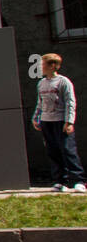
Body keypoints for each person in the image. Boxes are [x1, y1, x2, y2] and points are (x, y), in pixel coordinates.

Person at [33, 53, 84, 191]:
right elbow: (40, 102)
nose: (41, 67)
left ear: (53, 65)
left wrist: (69, 122)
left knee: (68, 150)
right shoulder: (41, 83)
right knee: (52, 151)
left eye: (43, 65)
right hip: (46, 121)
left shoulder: (63, 82)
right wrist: (36, 118)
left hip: (61, 121)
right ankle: (60, 181)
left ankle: (78, 181)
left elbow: (70, 102)